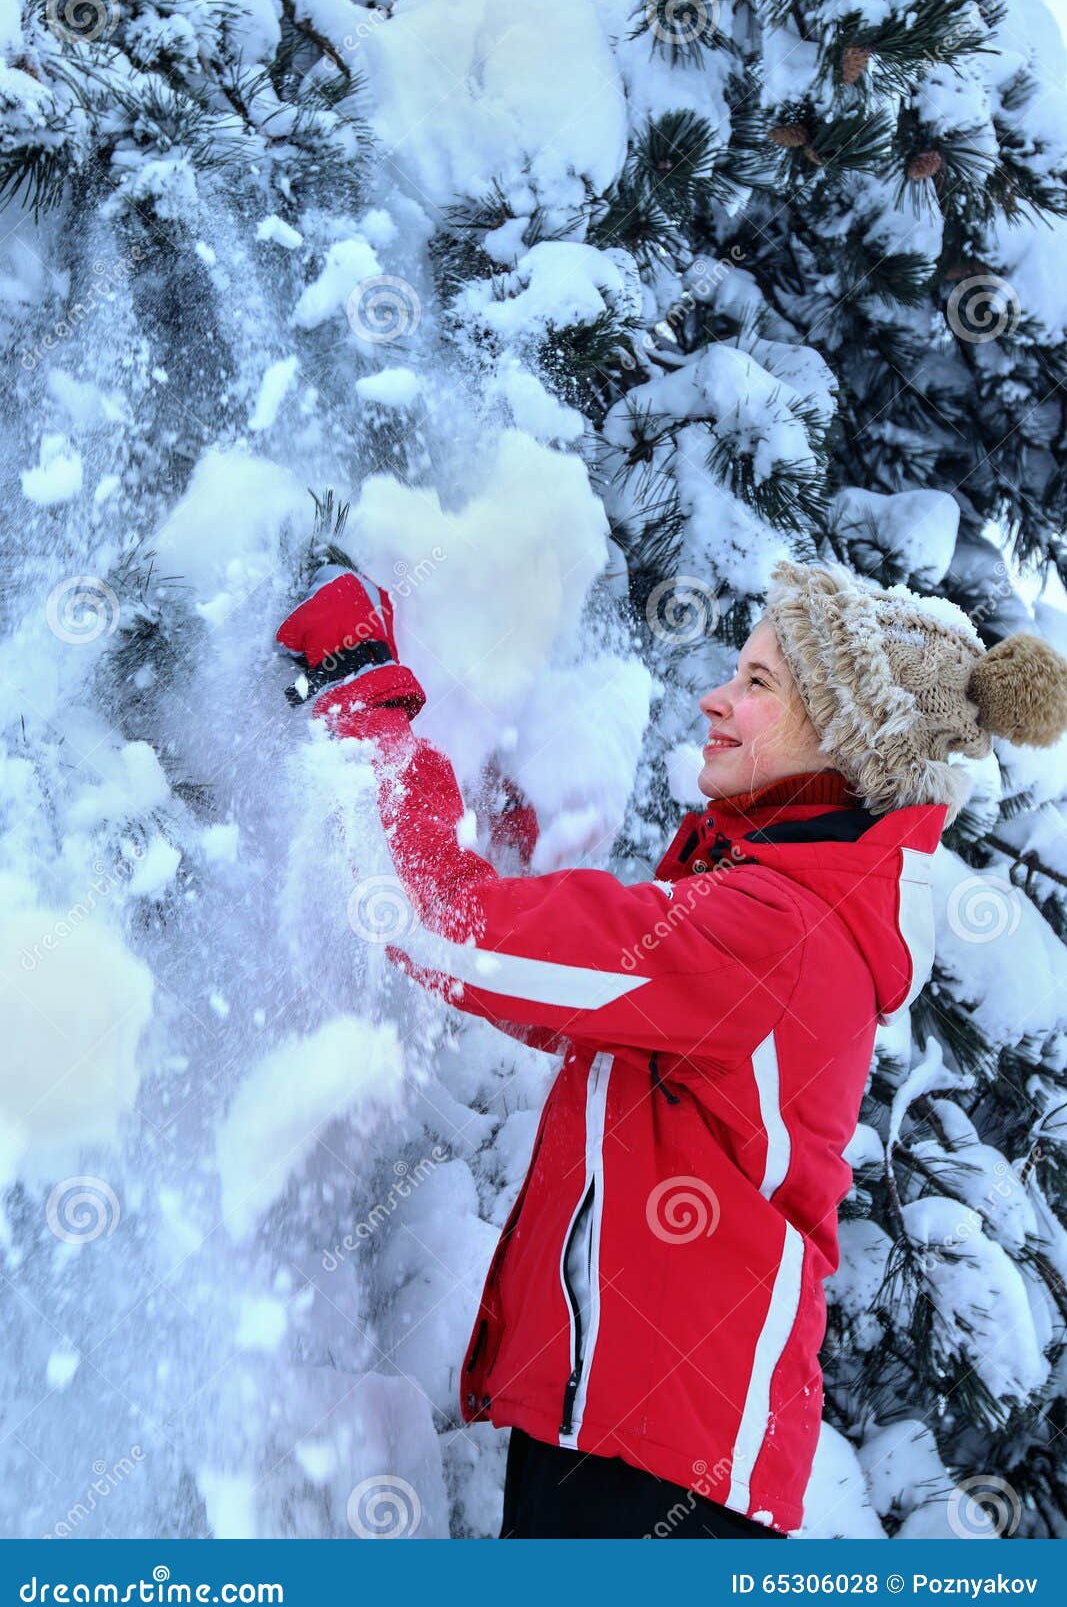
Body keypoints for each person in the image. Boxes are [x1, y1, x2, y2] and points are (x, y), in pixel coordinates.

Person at [276, 558, 1067, 1539]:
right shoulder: (781, 910)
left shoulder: (774, 927)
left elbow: (438, 923)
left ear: (849, 740)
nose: (714, 696)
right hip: (649, 1454)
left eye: (756, 683)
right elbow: (549, 993)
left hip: (653, 1477)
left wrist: (360, 695)